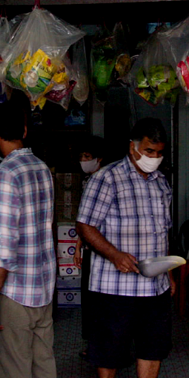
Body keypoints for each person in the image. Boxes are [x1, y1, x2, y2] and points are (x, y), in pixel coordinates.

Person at [76, 118, 175, 378]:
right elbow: (85, 225)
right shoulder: (106, 178)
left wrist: (169, 273)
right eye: (149, 151)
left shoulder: (161, 183)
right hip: (114, 284)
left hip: (154, 285)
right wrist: (114, 254)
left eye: (159, 153)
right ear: (132, 148)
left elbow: (163, 232)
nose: (154, 158)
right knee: (108, 347)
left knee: (152, 347)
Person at [0, 100, 57, 378]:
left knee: (15, 376)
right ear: (25, 130)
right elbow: (33, 226)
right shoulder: (42, 168)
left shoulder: (5, 173)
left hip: (15, 294)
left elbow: (6, 244)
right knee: (44, 367)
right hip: (43, 289)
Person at [74, 135, 106, 357]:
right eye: (81, 157)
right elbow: (84, 220)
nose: (83, 161)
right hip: (90, 248)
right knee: (89, 296)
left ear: (99, 158)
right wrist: (78, 245)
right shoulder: (88, 181)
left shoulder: (104, 182)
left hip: (103, 250)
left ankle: (101, 344)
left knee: (99, 299)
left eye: (87, 156)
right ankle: (94, 343)